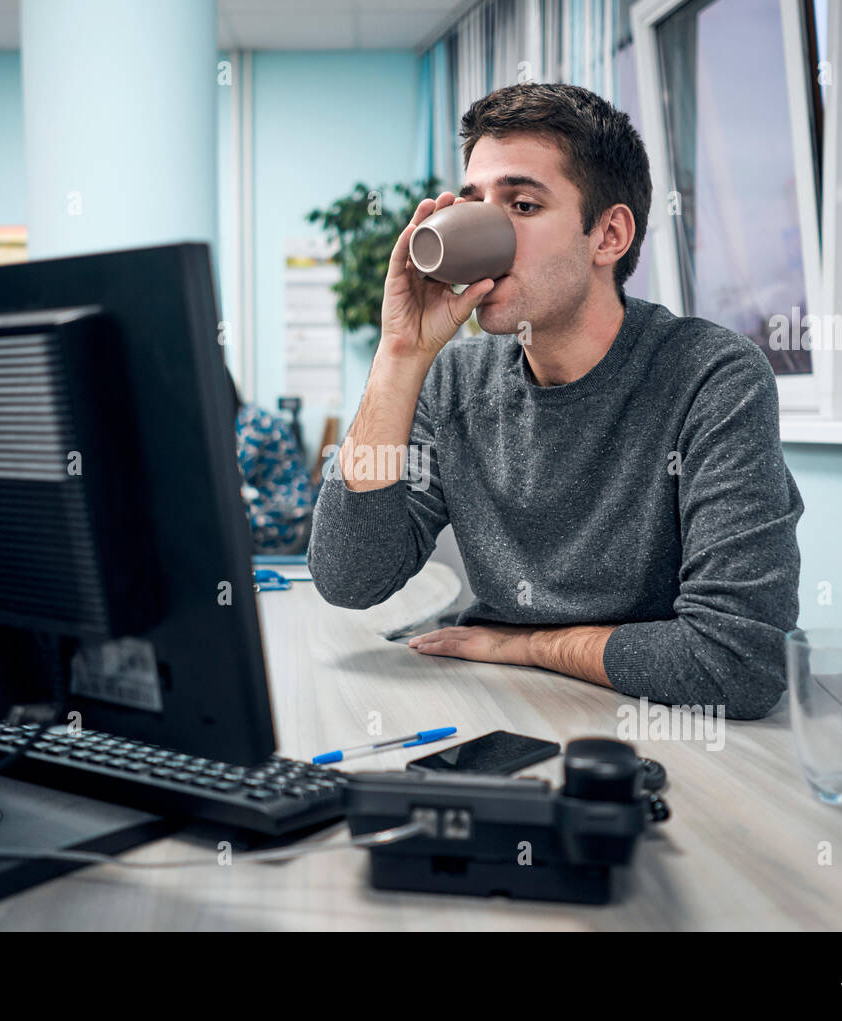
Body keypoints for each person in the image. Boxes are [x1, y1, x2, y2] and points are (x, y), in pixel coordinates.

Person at [306, 83, 803, 720]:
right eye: (475, 202)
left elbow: (736, 664)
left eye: (521, 204)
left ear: (609, 236)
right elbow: (351, 577)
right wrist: (400, 357)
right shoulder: (454, 380)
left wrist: (529, 646)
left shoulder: (711, 376)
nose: (486, 226)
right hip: (504, 711)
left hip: (662, 728)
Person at [227, 367, 315, 555]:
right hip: (284, 509)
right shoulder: (248, 415)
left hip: (288, 518)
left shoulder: (251, 422)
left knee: (223, 524)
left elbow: (232, 474)